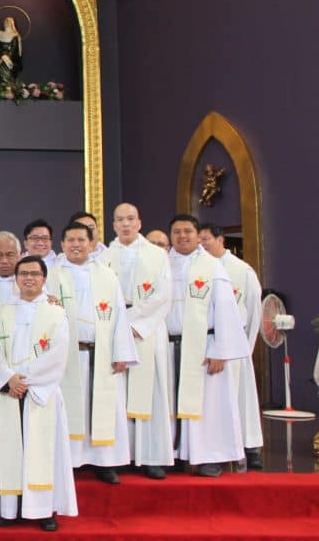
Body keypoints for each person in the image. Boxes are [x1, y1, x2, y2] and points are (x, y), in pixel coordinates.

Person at [0, 256, 77, 531]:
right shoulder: (3, 311)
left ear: (43, 278)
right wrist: (8, 378)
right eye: (23, 273)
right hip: (9, 390)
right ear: (16, 279)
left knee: (42, 452)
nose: (28, 278)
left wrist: (25, 380)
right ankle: (9, 509)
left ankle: (42, 510)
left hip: (41, 393)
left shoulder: (56, 312)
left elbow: (59, 353)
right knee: (9, 449)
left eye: (34, 274)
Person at [48, 222, 137, 484]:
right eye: (70, 240)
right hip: (67, 356)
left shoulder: (106, 275)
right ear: (62, 245)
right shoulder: (52, 276)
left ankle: (104, 461)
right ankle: (71, 460)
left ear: (91, 244)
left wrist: (121, 352)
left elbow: (120, 314)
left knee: (102, 406)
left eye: (81, 240)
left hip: (101, 353)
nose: (76, 244)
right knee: (71, 407)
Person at [167, 214, 250, 477]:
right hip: (169, 346)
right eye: (177, 231)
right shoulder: (162, 265)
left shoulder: (211, 267)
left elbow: (226, 310)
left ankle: (210, 456)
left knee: (208, 406)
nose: (182, 236)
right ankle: (176, 454)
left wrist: (221, 350)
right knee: (171, 403)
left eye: (188, 231)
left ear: (196, 234)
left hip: (205, 346)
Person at [102, 203, 173, 479]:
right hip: (113, 331)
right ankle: (119, 456)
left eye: (130, 219)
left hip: (146, 331)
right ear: (114, 224)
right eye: (120, 220)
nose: (126, 224)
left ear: (139, 222)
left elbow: (163, 295)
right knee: (117, 394)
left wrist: (132, 322)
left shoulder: (157, 255)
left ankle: (151, 456)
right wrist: (118, 325)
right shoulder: (105, 257)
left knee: (150, 392)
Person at [199, 223, 264, 469]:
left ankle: (251, 449)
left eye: (206, 239)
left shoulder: (241, 270)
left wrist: (243, 349)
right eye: (200, 239)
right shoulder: (200, 270)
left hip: (236, 351)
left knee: (242, 402)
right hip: (210, 348)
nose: (202, 244)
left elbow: (254, 312)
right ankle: (217, 453)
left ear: (220, 239)